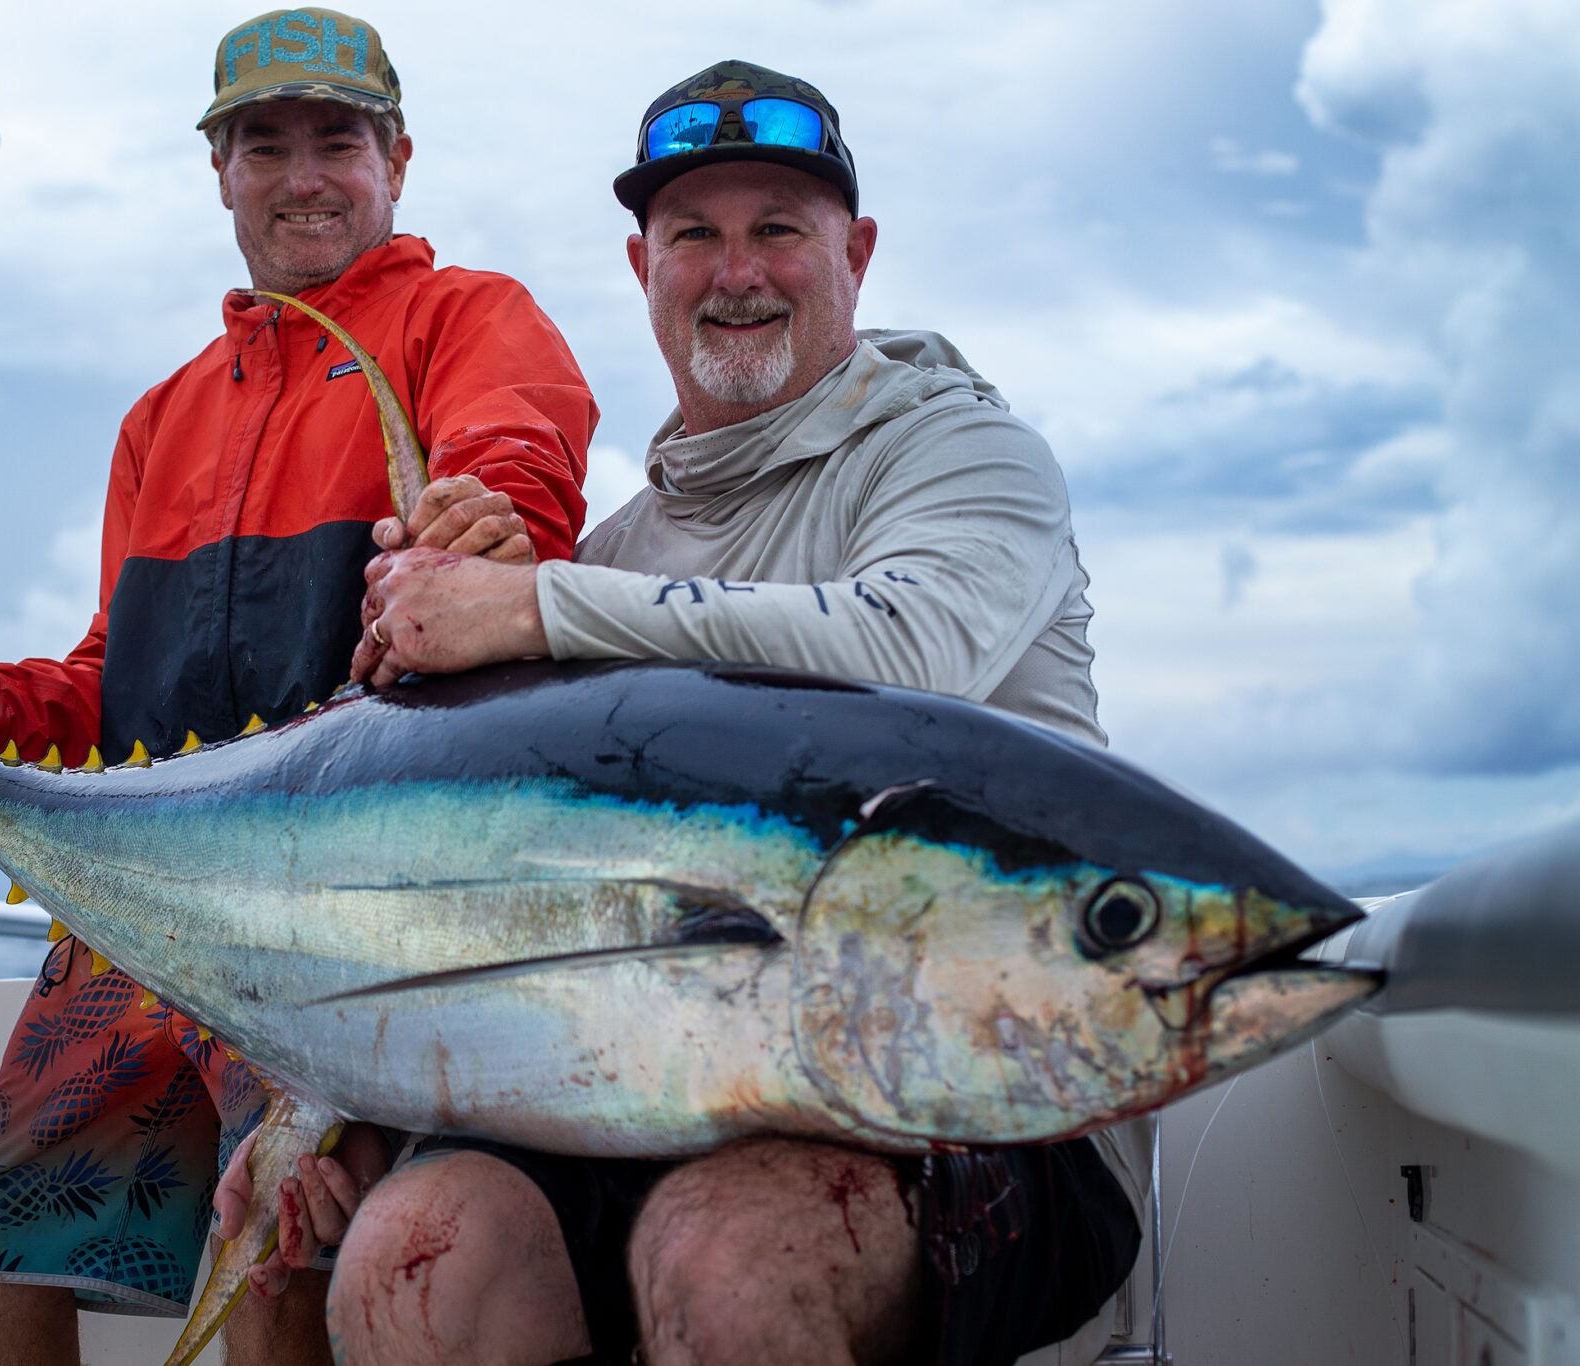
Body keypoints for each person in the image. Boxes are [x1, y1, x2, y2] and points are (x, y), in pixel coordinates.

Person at [238, 60, 1147, 1366]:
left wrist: (537, 605)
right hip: (662, 1085)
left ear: (857, 254)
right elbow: (527, 887)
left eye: (778, 227)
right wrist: (350, 1098)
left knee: (725, 1251)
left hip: (991, 1086)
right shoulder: (621, 549)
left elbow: (914, 653)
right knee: (415, 1255)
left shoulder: (960, 454)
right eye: (693, 236)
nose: (737, 271)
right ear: (642, 267)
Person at [0, 10, 596, 1364]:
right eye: (264, 144)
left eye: (337, 141)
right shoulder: (160, 417)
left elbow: (517, 461)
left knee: (279, 1258)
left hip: (342, 924)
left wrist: (488, 518)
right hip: (138, 921)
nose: (302, 176)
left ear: (397, 160)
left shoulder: (466, 316)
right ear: (220, 171)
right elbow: (110, 685)